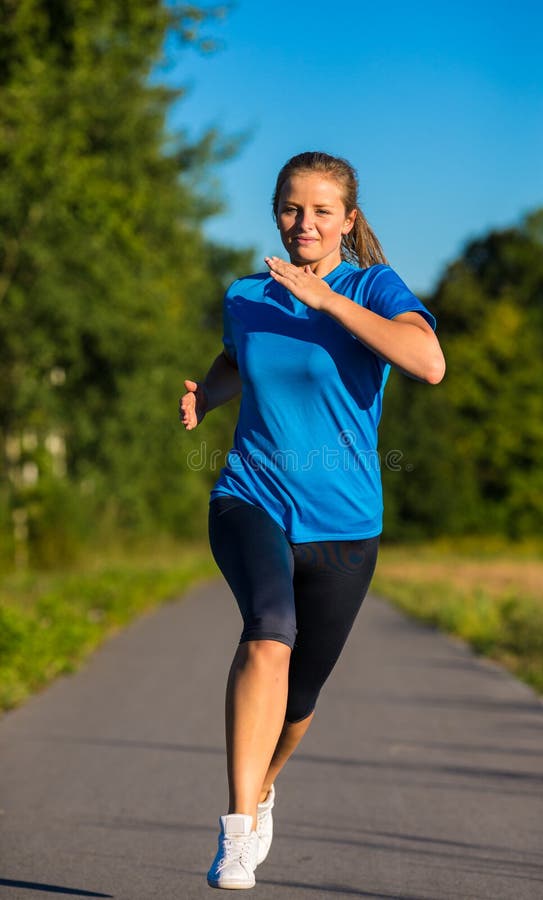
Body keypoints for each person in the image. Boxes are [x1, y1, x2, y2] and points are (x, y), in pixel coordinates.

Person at [179, 151, 445, 890]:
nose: (305, 223)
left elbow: (428, 363)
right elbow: (238, 358)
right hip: (251, 495)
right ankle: (236, 830)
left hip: (345, 524)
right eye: (293, 208)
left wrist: (327, 302)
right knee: (268, 633)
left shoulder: (373, 287)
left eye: (323, 211)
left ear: (347, 221)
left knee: (300, 701)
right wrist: (210, 397)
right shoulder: (246, 294)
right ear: (276, 212)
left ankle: (263, 789)